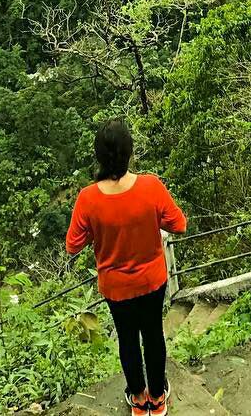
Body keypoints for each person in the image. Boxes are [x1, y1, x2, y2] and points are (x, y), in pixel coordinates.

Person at [67, 118, 186, 415]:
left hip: (116, 287)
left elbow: (73, 244)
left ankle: (138, 398)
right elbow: (179, 224)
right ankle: (158, 400)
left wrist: (99, 228)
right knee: (154, 336)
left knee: (128, 340)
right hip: (152, 281)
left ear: (99, 156)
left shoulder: (88, 199)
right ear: (130, 152)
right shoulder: (151, 187)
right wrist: (149, 219)